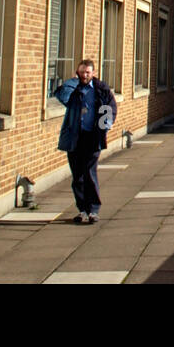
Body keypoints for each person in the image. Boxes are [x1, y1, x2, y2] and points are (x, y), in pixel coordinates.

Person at [54, 60, 117, 224]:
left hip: (92, 137)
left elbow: (110, 108)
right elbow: (62, 96)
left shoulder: (100, 89)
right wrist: (71, 82)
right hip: (75, 137)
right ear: (77, 72)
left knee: (90, 173)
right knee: (77, 176)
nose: (84, 75)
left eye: (87, 72)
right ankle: (82, 209)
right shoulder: (74, 90)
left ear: (93, 73)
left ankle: (94, 210)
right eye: (82, 72)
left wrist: (105, 127)